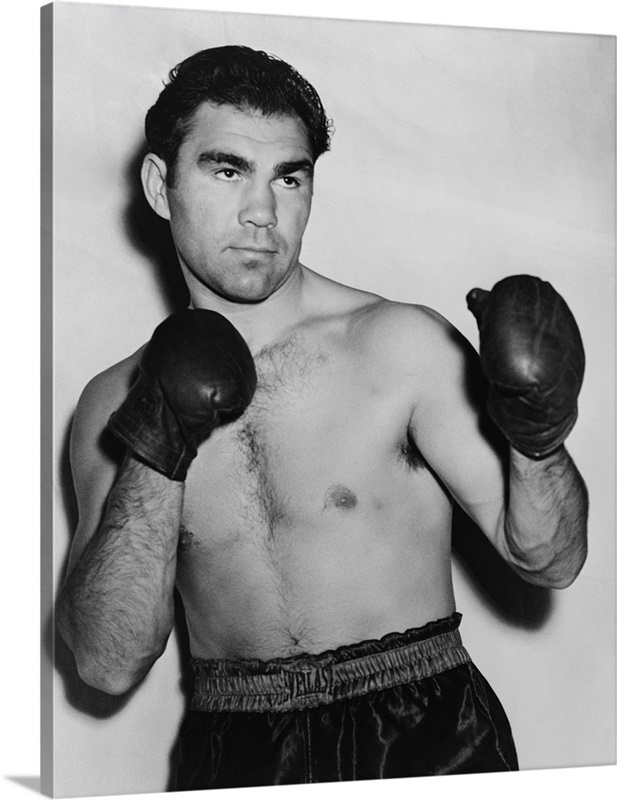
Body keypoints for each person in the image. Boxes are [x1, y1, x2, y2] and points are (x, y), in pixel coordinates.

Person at [56, 45, 588, 788]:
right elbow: (104, 665)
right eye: (226, 169)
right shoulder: (111, 404)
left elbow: (550, 559)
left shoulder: (397, 345)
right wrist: (158, 444)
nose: (261, 213)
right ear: (159, 183)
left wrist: (539, 440)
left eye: (289, 177)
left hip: (426, 731)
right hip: (234, 747)